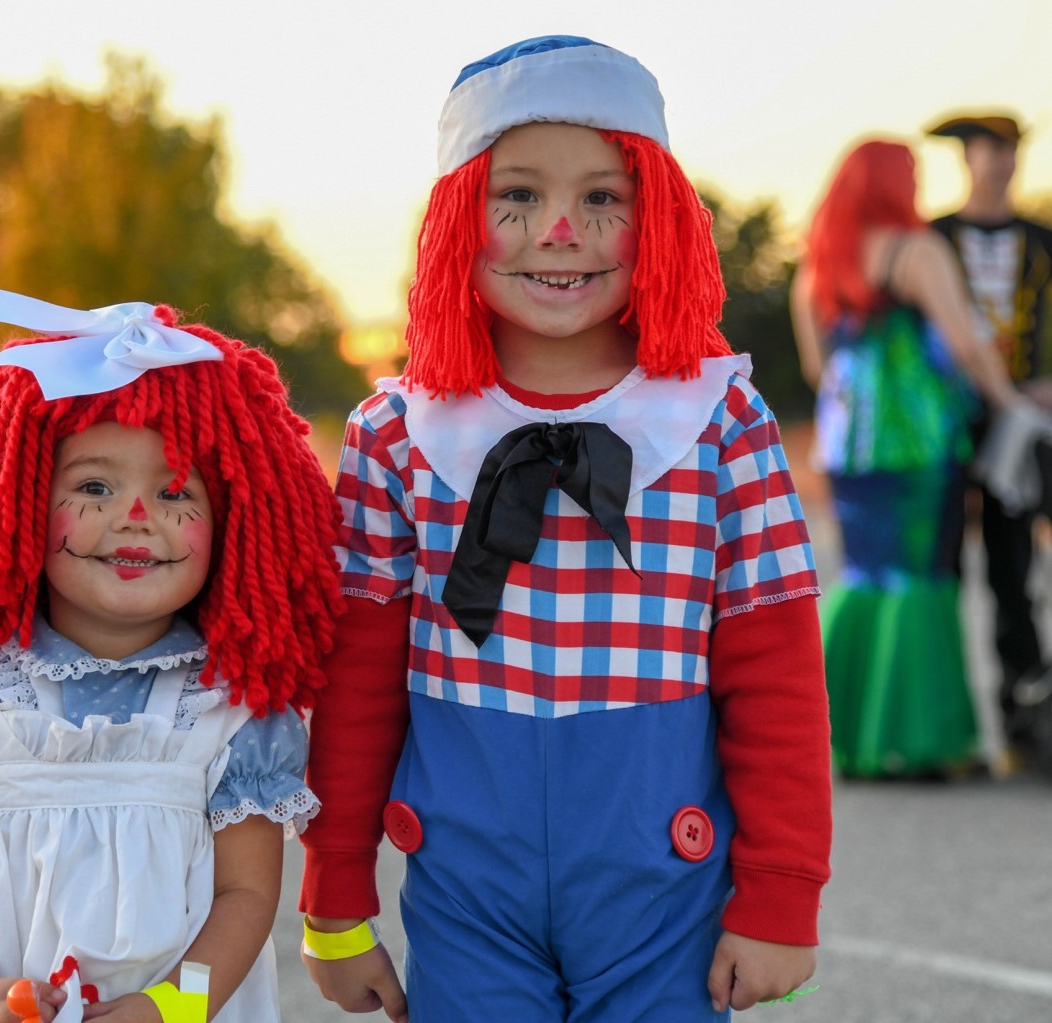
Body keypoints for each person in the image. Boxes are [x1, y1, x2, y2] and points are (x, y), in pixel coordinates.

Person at [298, 36, 832, 1022]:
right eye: (515, 197)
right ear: (462, 218)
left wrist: (783, 898)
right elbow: (359, 677)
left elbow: (777, 669)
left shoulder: (720, 421)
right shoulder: (396, 434)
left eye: (602, 197)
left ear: (656, 217)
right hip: (466, 898)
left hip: (665, 896)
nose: (559, 230)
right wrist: (337, 897)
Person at [0, 282, 343, 1023]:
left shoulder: (232, 713)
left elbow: (245, 899)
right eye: (93, 486)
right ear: (18, 503)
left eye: (177, 492)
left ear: (235, 524)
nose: (136, 518)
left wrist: (166, 1010)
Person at [790, 139, 1025, 779]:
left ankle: (846, 740)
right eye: (912, 173)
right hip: (915, 440)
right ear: (892, 183)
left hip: (847, 445)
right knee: (920, 580)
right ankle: (925, 744)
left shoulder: (817, 264)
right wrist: (1009, 401)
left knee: (865, 577)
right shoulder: (915, 249)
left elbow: (819, 368)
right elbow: (965, 339)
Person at [926, 112, 1052, 765]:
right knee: (939, 570)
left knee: (1012, 572)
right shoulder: (931, 237)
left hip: (1015, 422)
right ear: (967, 158)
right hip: (942, 426)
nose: (1000, 162)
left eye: (1009, 151)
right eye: (988, 150)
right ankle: (947, 728)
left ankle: (1022, 725)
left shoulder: (1040, 238)